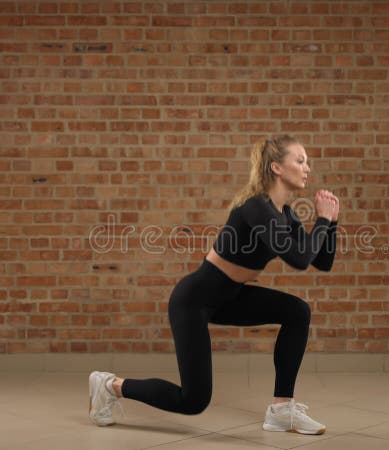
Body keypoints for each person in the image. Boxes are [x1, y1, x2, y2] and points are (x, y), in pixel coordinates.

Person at [88, 135, 340, 435]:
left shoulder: (286, 214)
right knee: (193, 400)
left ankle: (281, 410)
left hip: (229, 297)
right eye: (300, 160)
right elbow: (299, 259)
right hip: (194, 300)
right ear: (276, 167)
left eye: (307, 162)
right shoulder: (256, 207)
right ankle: (109, 386)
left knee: (297, 311)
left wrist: (332, 222)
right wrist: (322, 221)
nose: (307, 168)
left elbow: (320, 262)